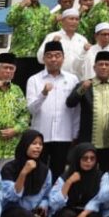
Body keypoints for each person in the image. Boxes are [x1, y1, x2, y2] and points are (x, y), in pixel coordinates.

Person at [0, 129, 58, 217]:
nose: (37, 147)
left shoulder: (45, 170)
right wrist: (23, 173)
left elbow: (47, 196)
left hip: (32, 215)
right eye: (33, 143)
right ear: (25, 144)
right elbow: (11, 197)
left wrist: (42, 207)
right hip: (11, 215)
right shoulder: (9, 168)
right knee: (19, 214)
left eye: (40, 144)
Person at [27, 40, 81, 177]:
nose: (53, 59)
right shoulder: (34, 80)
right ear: (44, 58)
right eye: (49, 56)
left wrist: (75, 134)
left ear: (63, 58)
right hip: (40, 136)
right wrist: (43, 94)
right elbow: (31, 109)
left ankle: (56, 198)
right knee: (38, 171)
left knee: (59, 171)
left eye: (57, 55)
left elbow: (76, 110)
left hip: (64, 134)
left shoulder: (73, 79)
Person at [67, 49, 109, 169]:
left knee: (108, 175)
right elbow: (70, 103)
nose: (103, 67)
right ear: (94, 67)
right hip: (88, 142)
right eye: (100, 64)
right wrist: (82, 89)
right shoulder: (85, 85)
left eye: (107, 64)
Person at [51, 143, 104, 217]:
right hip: (66, 213)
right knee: (66, 216)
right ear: (77, 158)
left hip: (86, 212)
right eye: (85, 158)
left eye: (92, 158)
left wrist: (84, 214)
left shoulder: (99, 176)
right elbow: (53, 203)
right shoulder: (65, 176)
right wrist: (69, 182)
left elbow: (100, 199)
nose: (89, 161)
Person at [4, 0, 55, 77]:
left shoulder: (45, 10)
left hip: (38, 56)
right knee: (19, 87)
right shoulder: (18, 7)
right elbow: (9, 22)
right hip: (20, 55)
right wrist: (21, 7)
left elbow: (49, 29)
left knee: (36, 87)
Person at [37, 10, 93, 76]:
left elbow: (88, 63)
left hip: (78, 80)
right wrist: (52, 44)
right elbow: (40, 59)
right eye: (71, 19)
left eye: (77, 19)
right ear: (63, 21)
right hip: (56, 79)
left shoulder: (82, 39)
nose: (74, 22)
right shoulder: (51, 36)